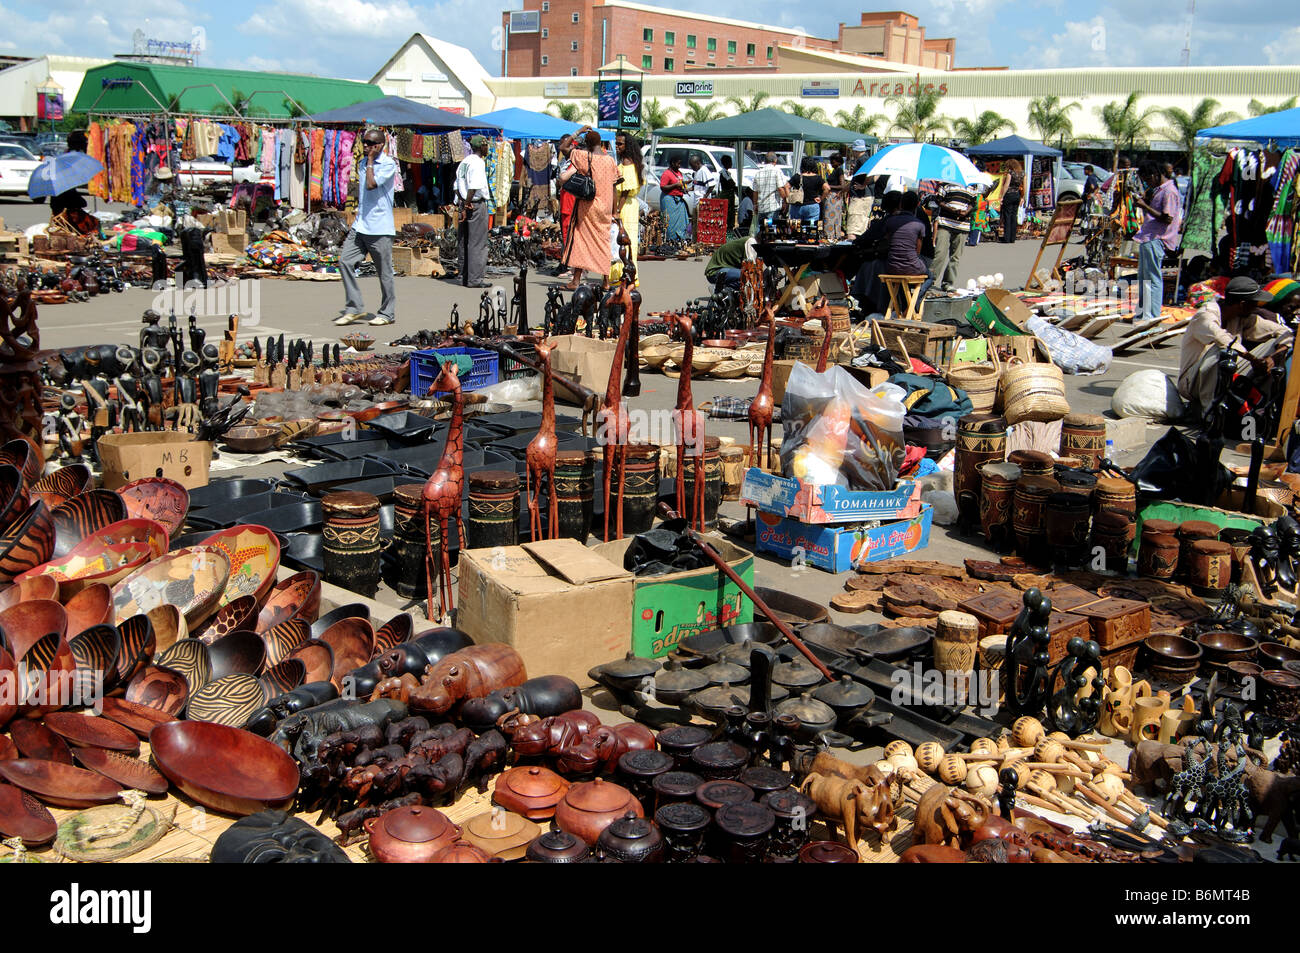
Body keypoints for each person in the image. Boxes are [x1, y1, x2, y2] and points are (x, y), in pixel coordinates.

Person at [1178, 276, 1292, 415]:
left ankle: (1258, 409)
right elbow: (1222, 339)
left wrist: (1274, 356)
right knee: (1223, 350)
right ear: (1243, 304)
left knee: (1275, 343)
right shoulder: (1205, 314)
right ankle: (1209, 413)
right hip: (1192, 382)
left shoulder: (1242, 317)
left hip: (1224, 376)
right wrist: (1254, 360)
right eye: (1255, 304)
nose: (1257, 308)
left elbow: (1284, 332)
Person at [336, 127, 398, 326]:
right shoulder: (362, 163)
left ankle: (387, 313)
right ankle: (354, 307)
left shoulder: (388, 164)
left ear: (380, 145)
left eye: (371, 144)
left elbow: (372, 185)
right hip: (361, 225)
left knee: (384, 273)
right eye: (364, 143)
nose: (366, 147)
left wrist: (371, 161)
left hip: (380, 228)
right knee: (345, 261)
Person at [558, 129, 617, 289]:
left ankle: (576, 280)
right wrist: (615, 211)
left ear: (588, 144)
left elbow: (564, 147)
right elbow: (614, 187)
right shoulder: (610, 161)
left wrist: (578, 131)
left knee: (580, 241)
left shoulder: (583, 156)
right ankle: (605, 281)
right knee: (603, 242)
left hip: (588, 207)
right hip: (605, 207)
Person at [1132, 162, 1181, 324]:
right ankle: (1142, 313)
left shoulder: (1169, 191)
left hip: (1157, 239)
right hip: (1149, 238)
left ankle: (1152, 315)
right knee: (1144, 278)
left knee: (1152, 279)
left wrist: (1145, 205)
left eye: (1148, 179)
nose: (1147, 183)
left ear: (1155, 174)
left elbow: (1167, 218)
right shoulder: (1160, 191)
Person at [453, 133, 492, 290]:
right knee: (477, 243)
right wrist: (468, 203)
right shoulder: (477, 163)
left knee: (464, 241)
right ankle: (475, 279)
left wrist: (462, 203)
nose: (487, 147)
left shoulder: (464, 162)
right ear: (481, 146)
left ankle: (463, 276)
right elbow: (474, 186)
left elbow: (456, 186)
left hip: (464, 203)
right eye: (486, 145)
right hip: (474, 205)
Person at [929, 183, 977, 293]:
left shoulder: (971, 188)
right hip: (945, 223)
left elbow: (973, 203)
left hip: (962, 225)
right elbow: (939, 201)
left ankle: (948, 283)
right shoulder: (946, 186)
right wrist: (952, 210)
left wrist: (966, 211)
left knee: (955, 257)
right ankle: (930, 281)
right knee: (940, 254)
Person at [611, 131, 643, 284]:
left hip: (625, 206)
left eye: (620, 144)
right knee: (626, 241)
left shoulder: (627, 162)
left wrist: (617, 210)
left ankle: (624, 276)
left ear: (627, 145)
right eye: (616, 143)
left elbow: (625, 189)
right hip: (627, 205)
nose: (617, 146)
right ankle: (626, 275)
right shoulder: (628, 160)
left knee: (622, 241)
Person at [50, 130, 89, 219]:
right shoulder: (73, 158)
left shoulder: (66, 156)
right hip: (62, 201)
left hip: (60, 200)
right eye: (85, 144)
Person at [750, 152, 785, 233]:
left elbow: (755, 192)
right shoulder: (777, 171)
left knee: (760, 232)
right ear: (775, 160)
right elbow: (780, 188)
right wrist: (785, 200)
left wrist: (755, 205)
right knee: (771, 231)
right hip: (773, 207)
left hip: (761, 207)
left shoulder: (758, 172)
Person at [787, 156, 829, 224]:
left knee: (796, 228)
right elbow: (827, 188)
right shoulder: (818, 178)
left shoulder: (797, 177)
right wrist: (821, 198)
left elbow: (786, 186)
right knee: (812, 228)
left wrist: (788, 198)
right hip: (812, 205)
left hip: (797, 206)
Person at [659, 155, 690, 244]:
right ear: (672, 163)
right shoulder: (666, 174)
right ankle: (670, 240)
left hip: (678, 200)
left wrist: (685, 186)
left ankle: (679, 239)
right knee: (670, 222)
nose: (679, 166)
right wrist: (675, 185)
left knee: (681, 221)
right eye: (678, 164)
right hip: (669, 199)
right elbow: (663, 187)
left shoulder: (679, 173)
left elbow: (679, 184)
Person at [556, 133, 576, 248]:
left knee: (571, 230)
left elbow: (562, 178)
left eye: (565, 145)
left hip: (573, 200)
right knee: (564, 230)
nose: (562, 148)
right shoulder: (563, 162)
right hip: (564, 199)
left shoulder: (577, 160)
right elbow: (559, 181)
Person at [823, 152, 847, 240]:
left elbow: (842, 185)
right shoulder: (835, 170)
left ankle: (831, 236)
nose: (831, 164)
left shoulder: (839, 170)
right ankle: (831, 236)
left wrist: (828, 186)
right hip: (832, 197)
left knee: (831, 218)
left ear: (838, 162)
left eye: (833, 162)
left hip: (834, 198)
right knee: (830, 218)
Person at [1000, 172, 1022, 243]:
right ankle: (1013, 238)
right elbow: (1025, 186)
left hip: (1009, 195)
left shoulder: (1010, 174)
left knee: (1007, 216)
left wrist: (1002, 196)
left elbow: (1006, 185)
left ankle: (1007, 238)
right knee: (1014, 216)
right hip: (1017, 195)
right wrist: (1023, 197)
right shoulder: (1022, 174)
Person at [717, 153, 738, 226]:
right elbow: (731, 183)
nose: (731, 163)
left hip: (728, 194)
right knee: (728, 212)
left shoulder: (726, 172)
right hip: (727, 194)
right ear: (727, 163)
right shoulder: (724, 172)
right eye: (730, 162)